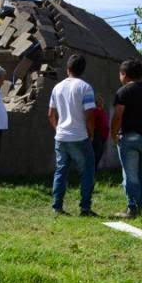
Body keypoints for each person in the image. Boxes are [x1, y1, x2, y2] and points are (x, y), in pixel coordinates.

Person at [111, 58, 142, 218]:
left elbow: (118, 116)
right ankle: (141, 205)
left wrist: (113, 134)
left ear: (124, 74)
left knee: (130, 174)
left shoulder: (123, 92)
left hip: (129, 137)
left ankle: (132, 208)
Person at [49, 54, 98, 216]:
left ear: (67, 69)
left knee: (60, 171)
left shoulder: (57, 88)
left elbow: (51, 114)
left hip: (61, 137)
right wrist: (90, 133)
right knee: (87, 172)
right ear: (83, 70)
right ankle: (85, 208)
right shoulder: (85, 87)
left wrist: (58, 130)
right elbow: (90, 113)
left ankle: (57, 207)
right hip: (79, 136)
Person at [91, 96, 110, 172]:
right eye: (99, 101)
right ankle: (93, 170)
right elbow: (92, 122)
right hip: (97, 134)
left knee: (100, 152)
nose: (101, 102)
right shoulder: (95, 111)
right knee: (97, 153)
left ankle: (94, 169)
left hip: (103, 135)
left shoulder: (102, 111)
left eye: (101, 101)